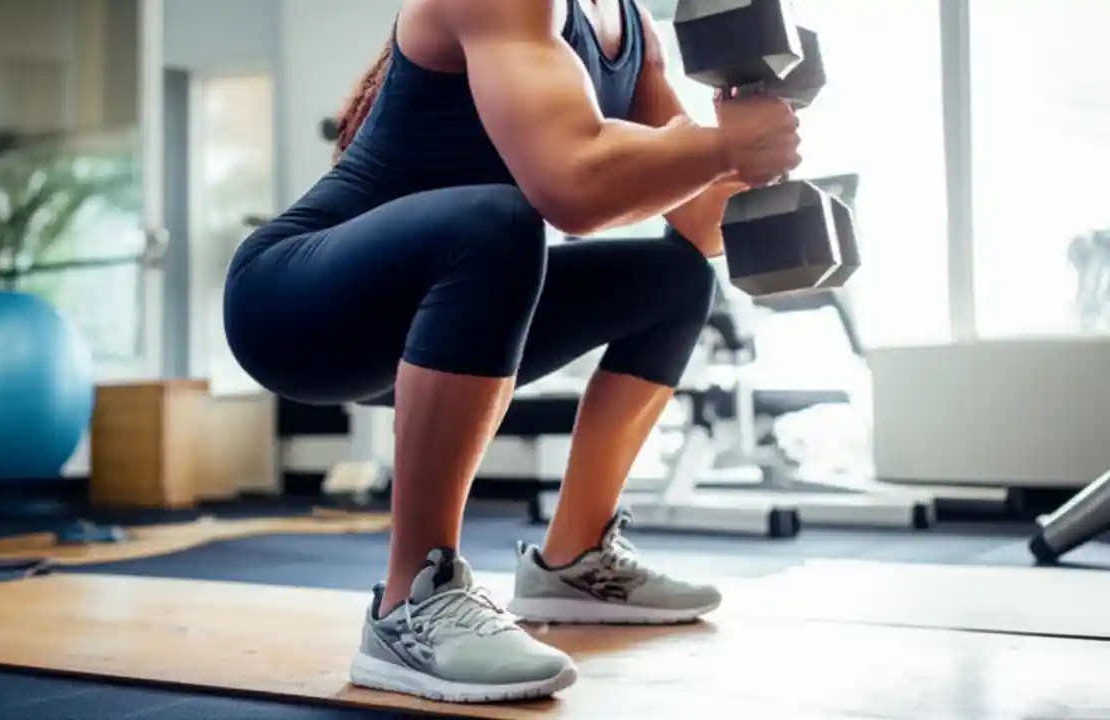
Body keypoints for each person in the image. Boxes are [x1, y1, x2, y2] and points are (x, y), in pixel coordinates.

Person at [224, 0, 801, 704]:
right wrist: (718, 150)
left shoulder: (631, 27)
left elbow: (700, 226)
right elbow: (571, 188)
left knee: (676, 280)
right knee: (499, 219)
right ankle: (412, 601)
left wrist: (746, 143)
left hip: (433, 317)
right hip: (291, 308)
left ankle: (575, 560)